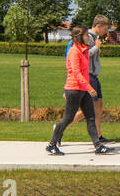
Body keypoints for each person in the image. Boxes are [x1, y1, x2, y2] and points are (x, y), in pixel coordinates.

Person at [47, 26, 111, 156]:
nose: (89, 37)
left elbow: (85, 73)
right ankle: (51, 145)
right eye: (86, 35)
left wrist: (87, 88)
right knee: (67, 118)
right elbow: (75, 73)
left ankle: (98, 146)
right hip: (74, 89)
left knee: (91, 117)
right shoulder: (74, 51)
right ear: (79, 37)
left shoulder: (85, 51)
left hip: (82, 89)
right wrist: (89, 88)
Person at [71, 16, 113, 142]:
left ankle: (99, 136)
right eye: (105, 29)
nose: (106, 32)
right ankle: (60, 128)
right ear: (98, 26)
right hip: (88, 76)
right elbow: (83, 55)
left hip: (94, 76)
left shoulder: (95, 38)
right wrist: (96, 47)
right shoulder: (88, 37)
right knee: (89, 109)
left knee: (98, 107)